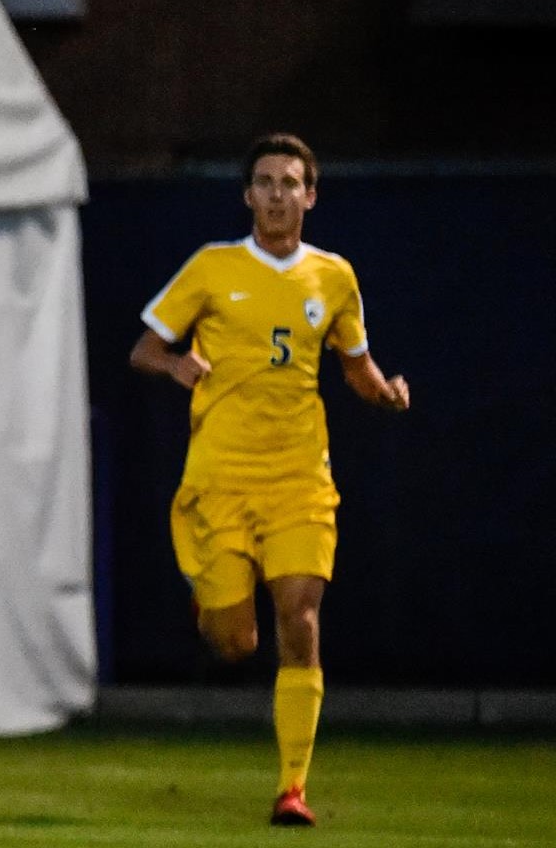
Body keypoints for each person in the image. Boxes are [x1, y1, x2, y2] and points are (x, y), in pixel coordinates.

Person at [129, 133, 411, 826]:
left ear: (310, 195)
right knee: (236, 642)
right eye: (265, 181)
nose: (278, 194)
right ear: (247, 195)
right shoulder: (213, 266)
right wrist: (174, 366)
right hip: (222, 475)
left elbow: (353, 362)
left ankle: (292, 787)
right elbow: (145, 348)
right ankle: (213, 608)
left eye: (291, 182)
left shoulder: (333, 277)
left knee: (300, 614)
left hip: (299, 476)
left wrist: (384, 392)